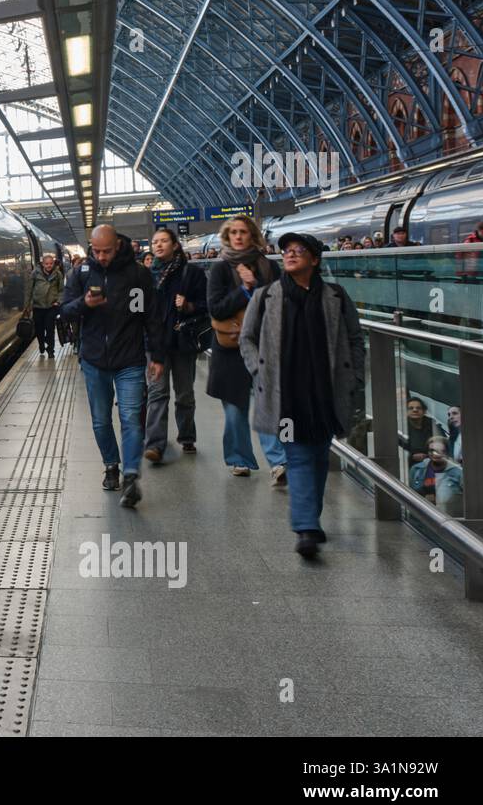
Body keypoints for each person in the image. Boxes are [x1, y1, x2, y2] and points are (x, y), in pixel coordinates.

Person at [241, 232, 365, 558]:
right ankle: (306, 528)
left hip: (325, 391)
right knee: (297, 457)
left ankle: (310, 517)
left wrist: (354, 376)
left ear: (314, 259)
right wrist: (258, 370)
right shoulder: (266, 295)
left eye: (299, 251)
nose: (291, 255)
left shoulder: (336, 296)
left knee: (320, 456)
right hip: (287, 394)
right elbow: (247, 338)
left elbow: (355, 338)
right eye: (287, 251)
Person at [61, 224, 166, 508]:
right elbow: (65, 311)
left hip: (129, 360)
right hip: (94, 360)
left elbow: (151, 317)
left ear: (118, 245)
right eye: (97, 251)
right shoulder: (81, 274)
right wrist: (85, 303)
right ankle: (111, 465)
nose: (102, 256)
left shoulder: (138, 274)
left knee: (131, 417)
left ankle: (131, 475)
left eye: (107, 251)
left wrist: (157, 356)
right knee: (100, 420)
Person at [207, 215, 289, 482]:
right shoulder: (219, 269)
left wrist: (256, 287)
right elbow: (215, 308)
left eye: (243, 232)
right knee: (234, 410)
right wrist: (244, 288)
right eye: (233, 233)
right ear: (227, 237)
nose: (239, 237)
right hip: (230, 348)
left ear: (253, 236)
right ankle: (239, 459)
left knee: (267, 406)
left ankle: (278, 462)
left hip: (264, 345)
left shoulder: (269, 267)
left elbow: (279, 304)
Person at [144, 226, 208, 463]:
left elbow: (205, 305)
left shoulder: (192, 274)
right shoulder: (146, 276)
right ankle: (155, 445)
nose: (158, 245)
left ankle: (187, 436)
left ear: (174, 245)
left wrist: (189, 305)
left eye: (163, 241)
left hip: (182, 343)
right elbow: (138, 310)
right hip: (155, 344)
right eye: (155, 242)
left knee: (184, 394)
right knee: (157, 393)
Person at [409, 436, 463, 514]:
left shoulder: (458, 472)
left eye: (441, 451)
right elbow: (412, 494)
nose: (436, 454)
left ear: (447, 453)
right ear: (428, 452)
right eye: (432, 451)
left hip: (449, 517)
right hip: (422, 516)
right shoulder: (417, 469)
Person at [25, 253, 63, 357]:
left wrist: (58, 301)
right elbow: (29, 290)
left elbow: (61, 290)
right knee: (39, 330)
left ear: (53, 263)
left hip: (51, 307)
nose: (49, 266)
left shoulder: (58, 274)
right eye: (47, 264)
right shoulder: (35, 273)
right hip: (38, 307)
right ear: (43, 264)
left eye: (51, 263)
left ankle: (51, 350)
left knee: (50, 329)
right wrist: (27, 306)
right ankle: (41, 344)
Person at [401, 396, 439, 466]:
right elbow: (399, 452)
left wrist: (429, 455)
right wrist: (412, 456)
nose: (415, 410)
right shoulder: (401, 427)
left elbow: (442, 444)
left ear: (424, 411)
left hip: (433, 464)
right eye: (411, 408)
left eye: (418, 408)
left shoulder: (431, 424)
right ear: (405, 411)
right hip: (408, 467)